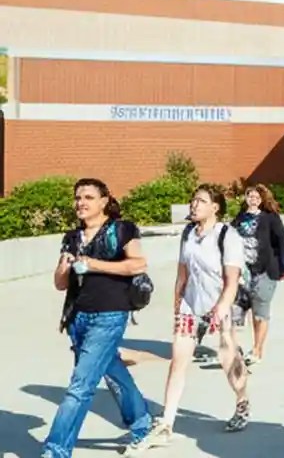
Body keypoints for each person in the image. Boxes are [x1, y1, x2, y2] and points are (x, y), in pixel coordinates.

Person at [129, 185, 250, 452]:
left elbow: (232, 280)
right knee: (178, 362)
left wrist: (220, 308)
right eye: (193, 200)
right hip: (190, 306)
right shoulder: (188, 234)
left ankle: (242, 402)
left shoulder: (227, 236)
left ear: (215, 207)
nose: (194, 205)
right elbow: (182, 274)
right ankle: (167, 422)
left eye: (200, 201)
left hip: (221, 305)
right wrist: (177, 302)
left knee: (228, 357)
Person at [43, 178, 153, 458]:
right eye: (78, 197)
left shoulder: (121, 229)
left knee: (80, 386)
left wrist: (94, 264)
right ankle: (142, 424)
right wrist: (65, 268)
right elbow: (60, 284)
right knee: (111, 369)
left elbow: (138, 264)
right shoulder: (71, 237)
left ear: (104, 201)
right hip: (78, 319)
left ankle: (56, 451)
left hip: (110, 315)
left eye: (88, 197)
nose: (81, 202)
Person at [230, 183, 284, 365]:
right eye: (250, 196)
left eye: (257, 198)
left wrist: (282, 268)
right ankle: (235, 348)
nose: (253, 200)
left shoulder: (270, 218)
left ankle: (257, 350)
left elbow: (282, 242)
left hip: (265, 271)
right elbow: (230, 238)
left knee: (260, 313)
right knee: (235, 312)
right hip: (243, 272)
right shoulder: (240, 218)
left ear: (262, 200)